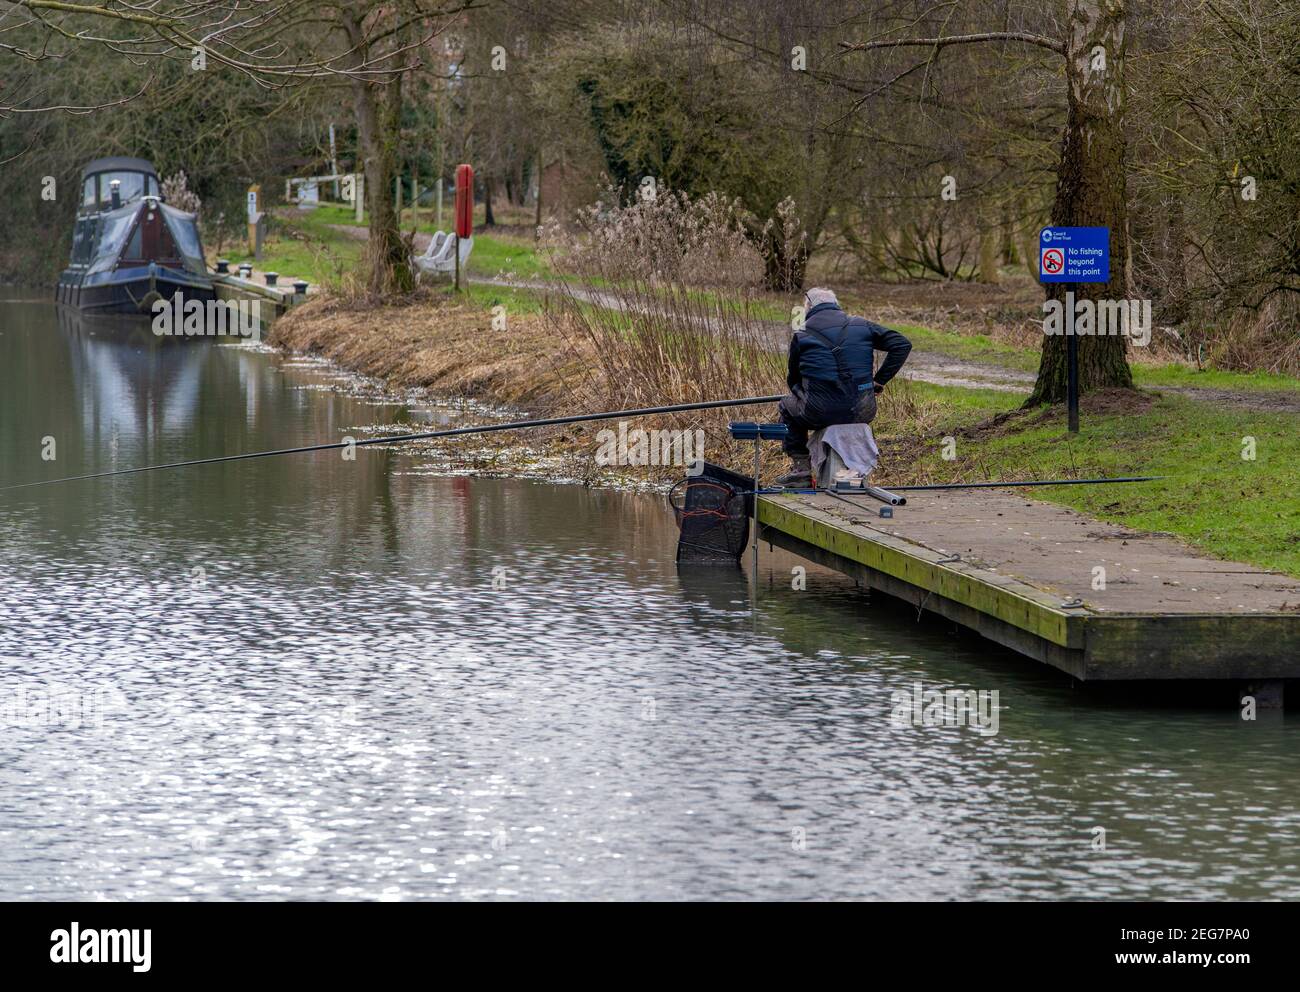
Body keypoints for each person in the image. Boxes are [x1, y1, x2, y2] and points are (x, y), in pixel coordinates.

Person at [775, 287, 912, 487]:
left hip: (818, 413)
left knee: (786, 405)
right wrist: (879, 381)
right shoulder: (861, 325)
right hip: (862, 409)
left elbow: (793, 380)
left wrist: (807, 393)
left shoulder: (802, 334)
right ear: (836, 304)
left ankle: (801, 470)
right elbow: (902, 344)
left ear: (809, 307)